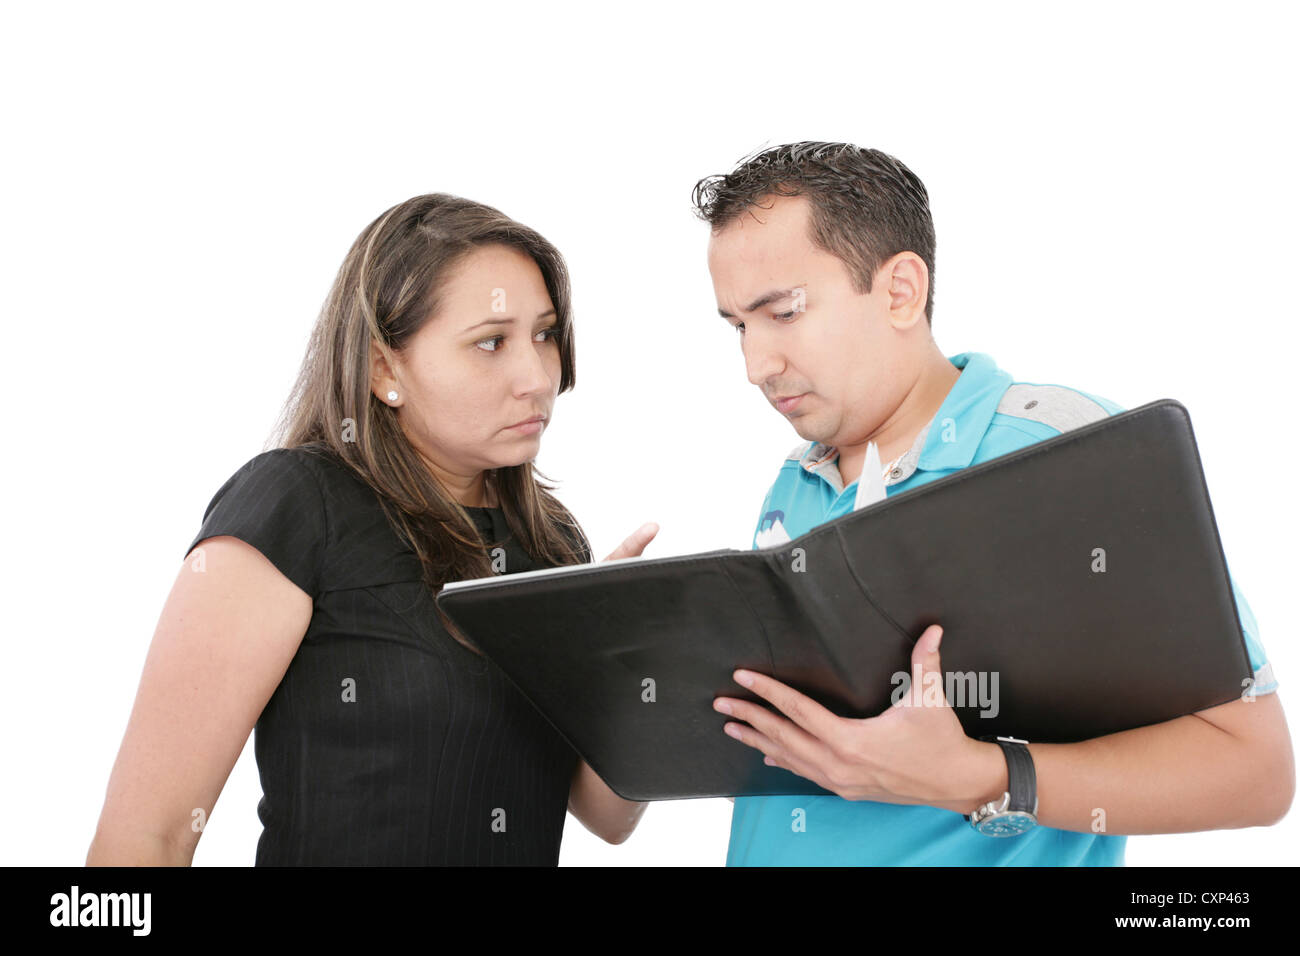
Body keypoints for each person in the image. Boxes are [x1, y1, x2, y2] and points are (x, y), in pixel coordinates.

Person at [693, 142, 1294, 865]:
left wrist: (984, 777)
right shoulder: (794, 482)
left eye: (783, 312)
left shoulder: (1071, 453)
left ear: (900, 292)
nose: (755, 366)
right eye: (737, 326)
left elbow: (1256, 771)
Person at [87, 193, 651, 865]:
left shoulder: (552, 543)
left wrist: (631, 654)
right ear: (386, 369)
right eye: (491, 342)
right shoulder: (296, 506)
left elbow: (608, 815)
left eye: (545, 333)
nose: (536, 377)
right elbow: (146, 839)